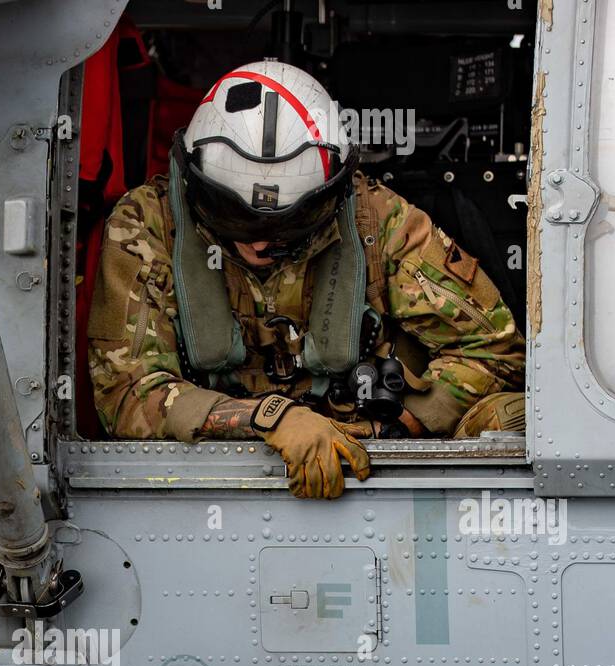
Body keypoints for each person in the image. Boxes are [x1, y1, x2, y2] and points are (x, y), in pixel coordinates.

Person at [88, 59, 525, 499]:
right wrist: (267, 418)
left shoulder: (380, 223)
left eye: (287, 224)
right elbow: (125, 392)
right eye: (236, 218)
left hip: (374, 466)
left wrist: (393, 426)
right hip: (209, 480)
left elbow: (496, 352)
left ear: (330, 197)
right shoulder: (148, 225)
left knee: (509, 417)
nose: (259, 243)